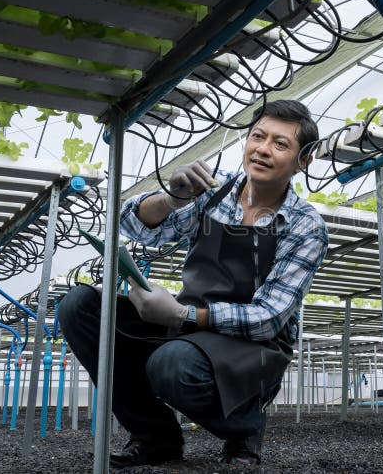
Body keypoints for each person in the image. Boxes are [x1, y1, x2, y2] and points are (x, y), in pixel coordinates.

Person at [59, 100, 328, 468]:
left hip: (252, 343)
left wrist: (182, 313)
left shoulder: (304, 225)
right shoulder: (213, 190)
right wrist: (171, 198)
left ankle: (244, 424)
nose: (263, 149)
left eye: (280, 144)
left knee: (173, 365)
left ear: (303, 160)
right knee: (81, 306)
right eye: (257, 137)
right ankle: (156, 439)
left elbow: (268, 317)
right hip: (188, 326)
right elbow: (132, 225)